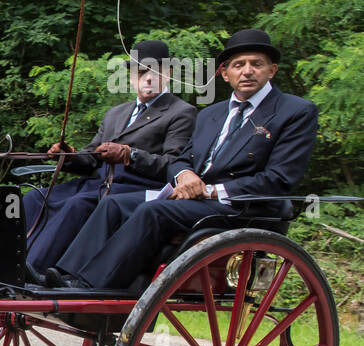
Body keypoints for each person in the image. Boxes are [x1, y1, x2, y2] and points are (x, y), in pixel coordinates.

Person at [50, 29, 318, 290]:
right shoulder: (211, 114)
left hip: (241, 207)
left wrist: (209, 191)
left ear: (272, 70)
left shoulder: (295, 112)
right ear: (225, 74)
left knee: (153, 211)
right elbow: (181, 159)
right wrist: (185, 176)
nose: (247, 71)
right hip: (193, 197)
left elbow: (279, 180)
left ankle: (91, 285)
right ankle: (66, 275)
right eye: (238, 65)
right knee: (113, 205)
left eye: (256, 64)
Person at [23, 39, 197, 277]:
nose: (148, 78)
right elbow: (92, 157)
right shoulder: (116, 113)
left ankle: (36, 269)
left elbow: (172, 165)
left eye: (155, 71)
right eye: (142, 71)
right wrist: (71, 155)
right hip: (98, 183)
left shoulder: (181, 112)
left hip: (134, 187)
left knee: (78, 205)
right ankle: (8, 260)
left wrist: (130, 155)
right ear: (131, 76)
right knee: (35, 197)